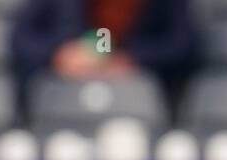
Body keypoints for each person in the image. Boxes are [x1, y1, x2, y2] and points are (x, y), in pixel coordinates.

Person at [11, 0, 200, 117]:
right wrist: (59, 56)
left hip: (138, 107)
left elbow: (183, 45)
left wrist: (131, 60)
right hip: (64, 97)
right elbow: (22, 39)